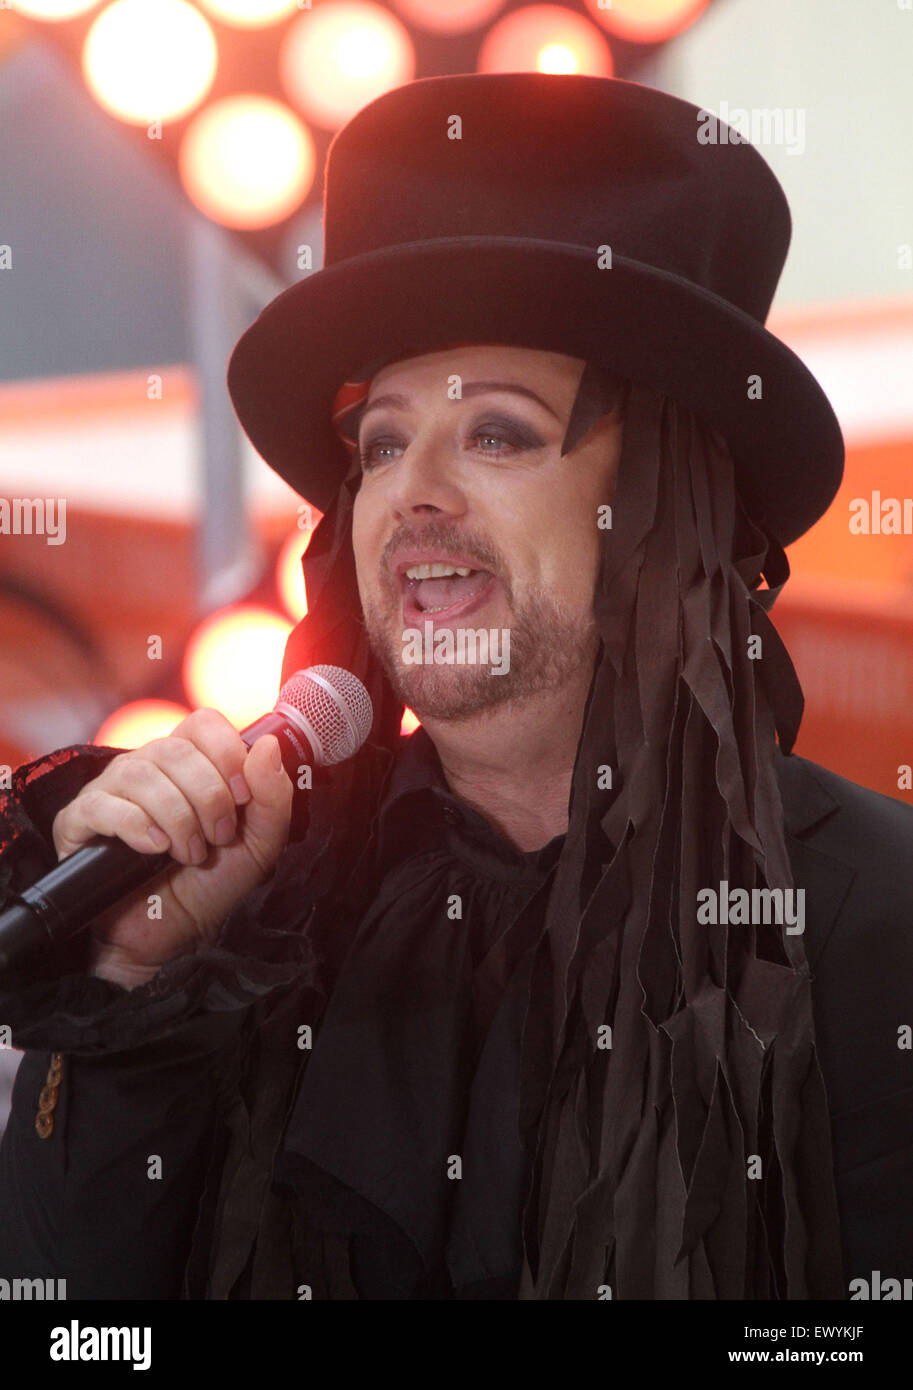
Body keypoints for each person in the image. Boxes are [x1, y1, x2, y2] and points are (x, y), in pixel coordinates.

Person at [1, 72, 911, 1302]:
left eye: (497, 432)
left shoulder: (877, 922)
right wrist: (134, 985)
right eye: (381, 442)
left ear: (659, 502)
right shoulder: (257, 916)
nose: (411, 492)